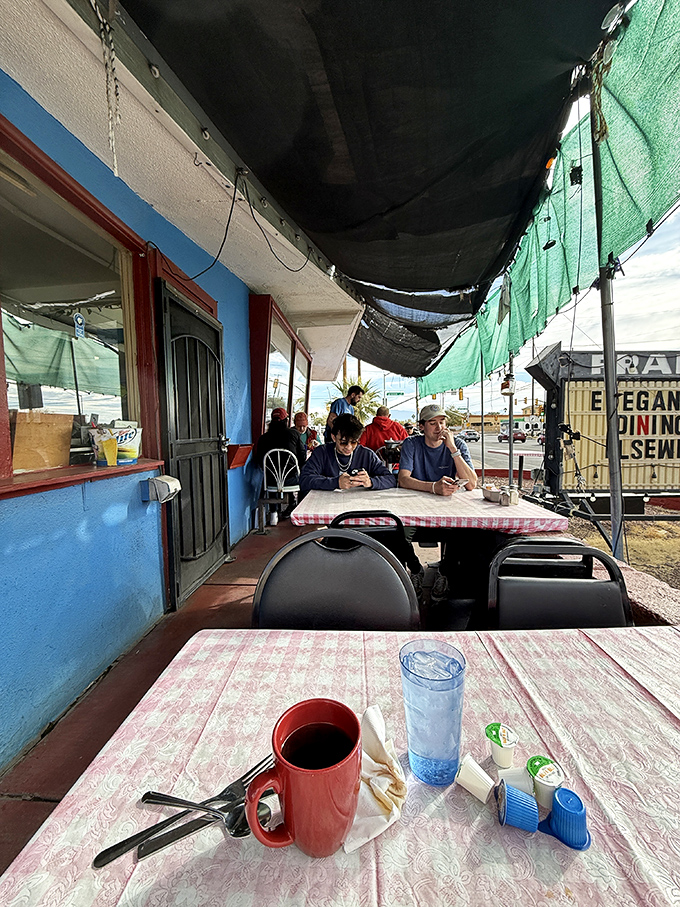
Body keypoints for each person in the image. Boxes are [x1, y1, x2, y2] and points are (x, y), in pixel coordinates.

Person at [398, 404, 477, 601]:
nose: (438, 427)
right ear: (422, 426)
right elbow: (403, 479)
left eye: (442, 422)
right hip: (415, 508)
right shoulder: (412, 444)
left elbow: (472, 484)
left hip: (449, 511)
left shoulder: (458, 444)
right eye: (432, 423)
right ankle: (416, 569)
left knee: (467, 531)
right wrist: (434, 487)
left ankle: (444, 571)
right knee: (396, 532)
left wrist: (452, 449)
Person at [300, 413, 396, 495]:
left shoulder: (367, 455)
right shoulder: (321, 453)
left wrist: (371, 482)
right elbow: (304, 480)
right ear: (333, 437)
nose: (349, 447)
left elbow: (391, 479)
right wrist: (335, 482)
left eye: (354, 442)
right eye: (343, 442)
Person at [254, 408, 306, 520]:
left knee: (272, 474)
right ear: (286, 420)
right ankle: (296, 507)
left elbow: (260, 461)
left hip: (271, 481)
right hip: (291, 480)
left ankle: (273, 513)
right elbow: (302, 457)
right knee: (296, 473)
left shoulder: (263, 438)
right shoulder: (294, 434)